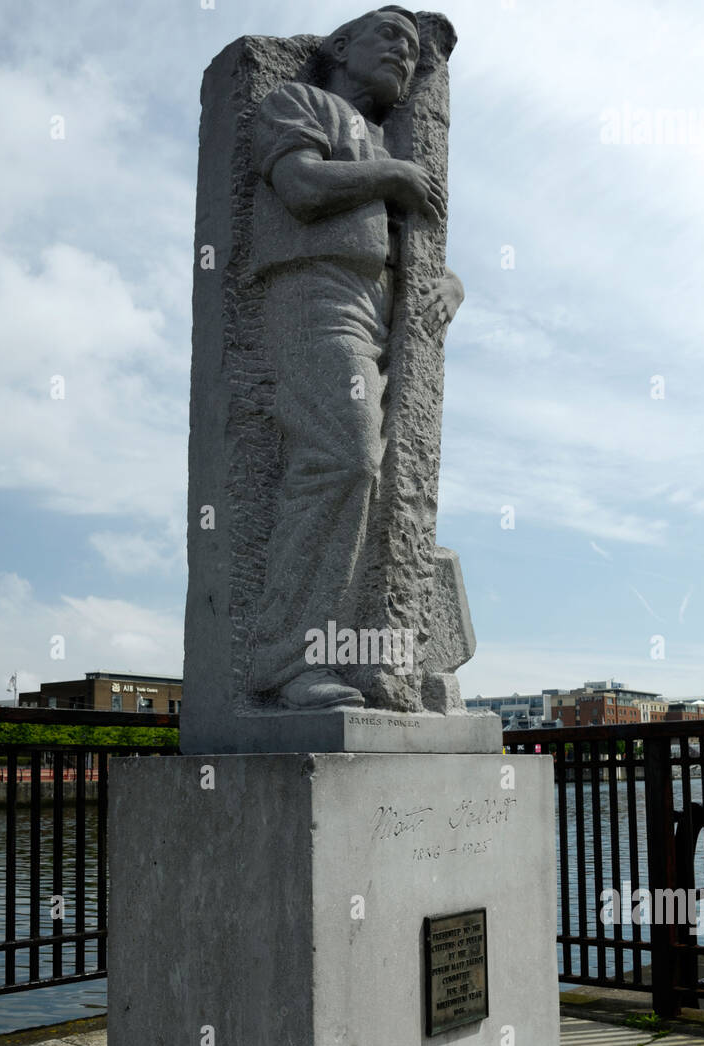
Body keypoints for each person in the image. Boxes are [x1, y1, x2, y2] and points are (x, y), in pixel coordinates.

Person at [249, 6, 464, 710]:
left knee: (380, 489)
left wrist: (448, 287)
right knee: (344, 459)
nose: (403, 56)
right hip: (317, 290)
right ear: (341, 45)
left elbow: (416, 249)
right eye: (390, 38)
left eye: (413, 50)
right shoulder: (299, 100)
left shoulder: (387, 141)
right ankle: (287, 660)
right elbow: (302, 189)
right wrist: (392, 175)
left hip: (382, 312)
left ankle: (366, 659)